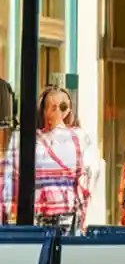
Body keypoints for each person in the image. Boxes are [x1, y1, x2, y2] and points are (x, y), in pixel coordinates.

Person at [0, 86, 100, 234]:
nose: (57, 111)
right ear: (43, 109)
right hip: (36, 216)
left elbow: (89, 179)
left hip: (67, 216)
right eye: (52, 106)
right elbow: (9, 178)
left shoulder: (79, 138)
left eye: (62, 106)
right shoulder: (25, 139)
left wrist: (84, 214)